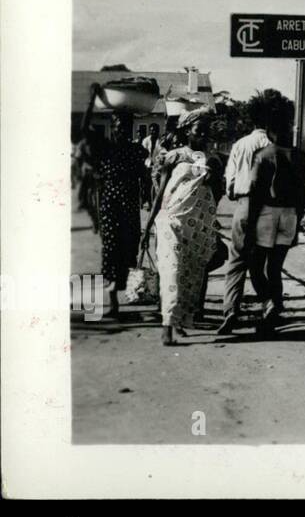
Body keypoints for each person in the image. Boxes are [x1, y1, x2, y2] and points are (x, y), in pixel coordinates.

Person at [141, 108, 217, 345]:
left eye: (206, 129)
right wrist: (148, 226)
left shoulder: (211, 159)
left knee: (192, 275)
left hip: (198, 228)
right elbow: (160, 192)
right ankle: (167, 325)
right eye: (198, 129)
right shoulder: (173, 157)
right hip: (171, 222)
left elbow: (214, 194)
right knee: (172, 272)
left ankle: (179, 320)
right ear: (187, 130)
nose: (203, 133)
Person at [78, 85, 146, 318]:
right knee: (111, 253)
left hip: (129, 209)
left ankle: (121, 296)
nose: (122, 129)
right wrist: (91, 101)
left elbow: (145, 180)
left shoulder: (138, 152)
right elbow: (84, 129)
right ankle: (113, 303)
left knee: (128, 253)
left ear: (131, 128)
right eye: (118, 125)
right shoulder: (105, 149)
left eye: (126, 126)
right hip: (110, 208)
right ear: (113, 128)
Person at [243, 122, 305, 333]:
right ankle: (275, 308)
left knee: (256, 263)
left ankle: (268, 301)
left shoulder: (262, 154)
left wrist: (250, 226)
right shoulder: (299, 156)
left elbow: (254, 191)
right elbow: (302, 193)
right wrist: (298, 223)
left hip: (268, 212)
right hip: (290, 213)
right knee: (275, 267)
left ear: (269, 133)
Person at [219, 111, 272, 334]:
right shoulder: (271, 146)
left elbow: (229, 181)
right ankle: (268, 304)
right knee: (260, 261)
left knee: (237, 259)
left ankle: (231, 308)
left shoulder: (240, 145)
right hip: (268, 206)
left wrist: (234, 193)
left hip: (244, 203)